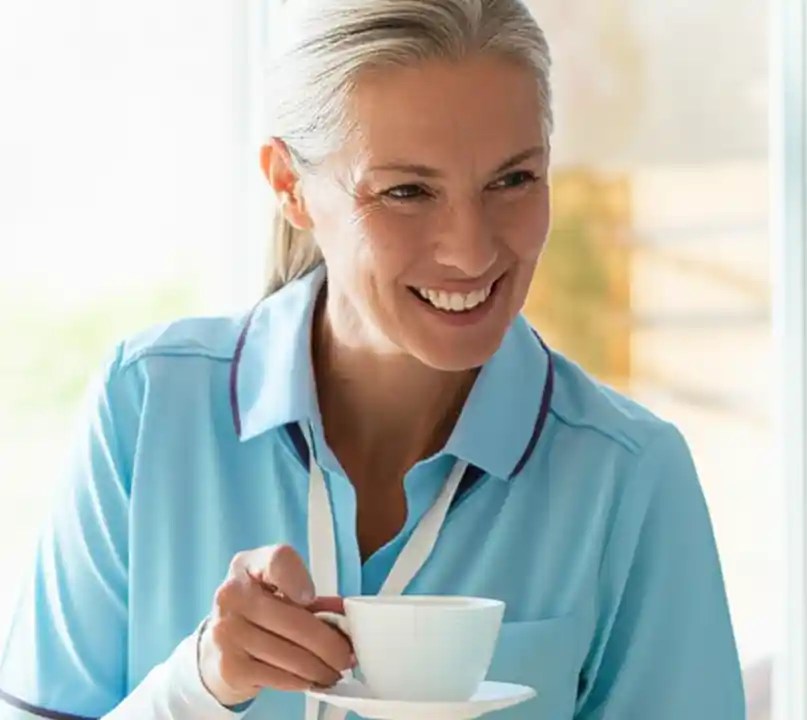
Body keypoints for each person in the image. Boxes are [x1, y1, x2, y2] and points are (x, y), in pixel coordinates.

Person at [0, 1, 745, 718]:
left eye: (512, 180)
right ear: (291, 186)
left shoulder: (629, 476)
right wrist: (200, 684)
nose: (473, 249)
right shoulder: (148, 406)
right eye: (407, 191)